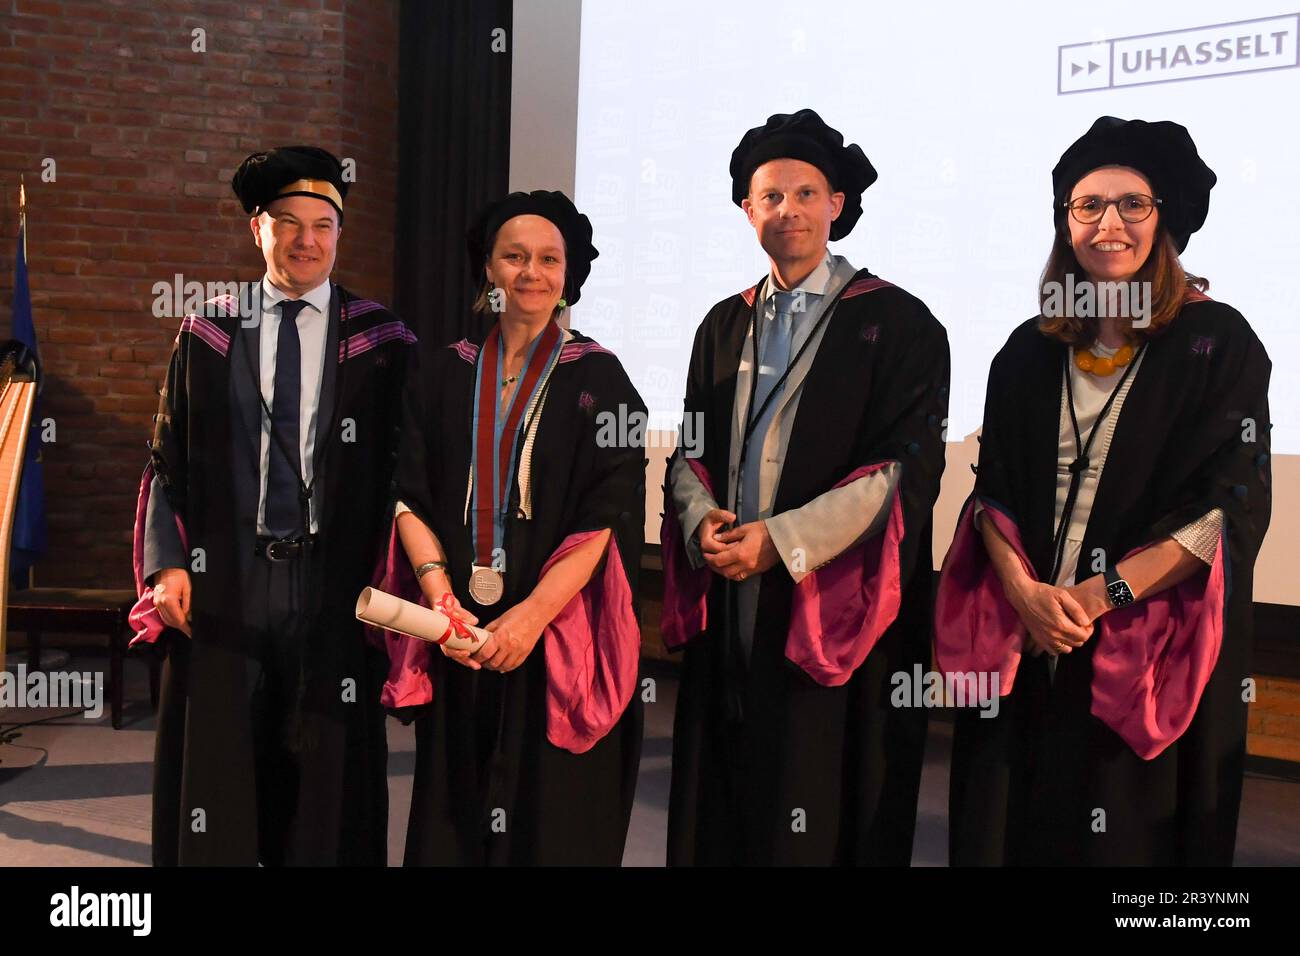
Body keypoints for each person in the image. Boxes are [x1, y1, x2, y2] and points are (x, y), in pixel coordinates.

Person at [936, 116, 1272, 866]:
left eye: (1132, 204)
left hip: (1139, 640)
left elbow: (1226, 509)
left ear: (1166, 221)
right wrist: (1027, 595)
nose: (1107, 222)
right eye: (1087, 205)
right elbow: (990, 495)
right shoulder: (1029, 348)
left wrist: (1094, 599)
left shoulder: (1216, 343)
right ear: (1065, 222)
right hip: (1027, 636)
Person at [660, 109, 951, 865]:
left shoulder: (899, 322)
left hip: (836, 608)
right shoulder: (724, 323)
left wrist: (780, 543)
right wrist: (701, 525)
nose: (786, 209)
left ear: (837, 206)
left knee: (822, 800)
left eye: (804, 193)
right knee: (728, 799)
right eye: (769, 196)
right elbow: (689, 445)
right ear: (747, 209)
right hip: (735, 600)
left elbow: (902, 471)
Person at [130, 146, 415, 865]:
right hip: (230, 576)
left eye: (323, 223)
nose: (307, 240)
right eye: (287, 222)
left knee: (328, 771)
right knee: (221, 767)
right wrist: (167, 566)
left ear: (340, 233)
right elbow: (165, 458)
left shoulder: (381, 341)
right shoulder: (208, 333)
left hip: (336, 580)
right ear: (258, 229)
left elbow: (410, 472)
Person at [376, 190, 646, 865]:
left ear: (568, 275)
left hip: (555, 630)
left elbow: (601, 521)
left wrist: (529, 619)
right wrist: (440, 602)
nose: (532, 272)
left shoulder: (602, 379)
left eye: (549, 259)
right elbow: (408, 496)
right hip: (459, 627)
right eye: (515, 256)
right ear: (488, 271)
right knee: (455, 812)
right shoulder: (441, 373)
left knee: (547, 820)